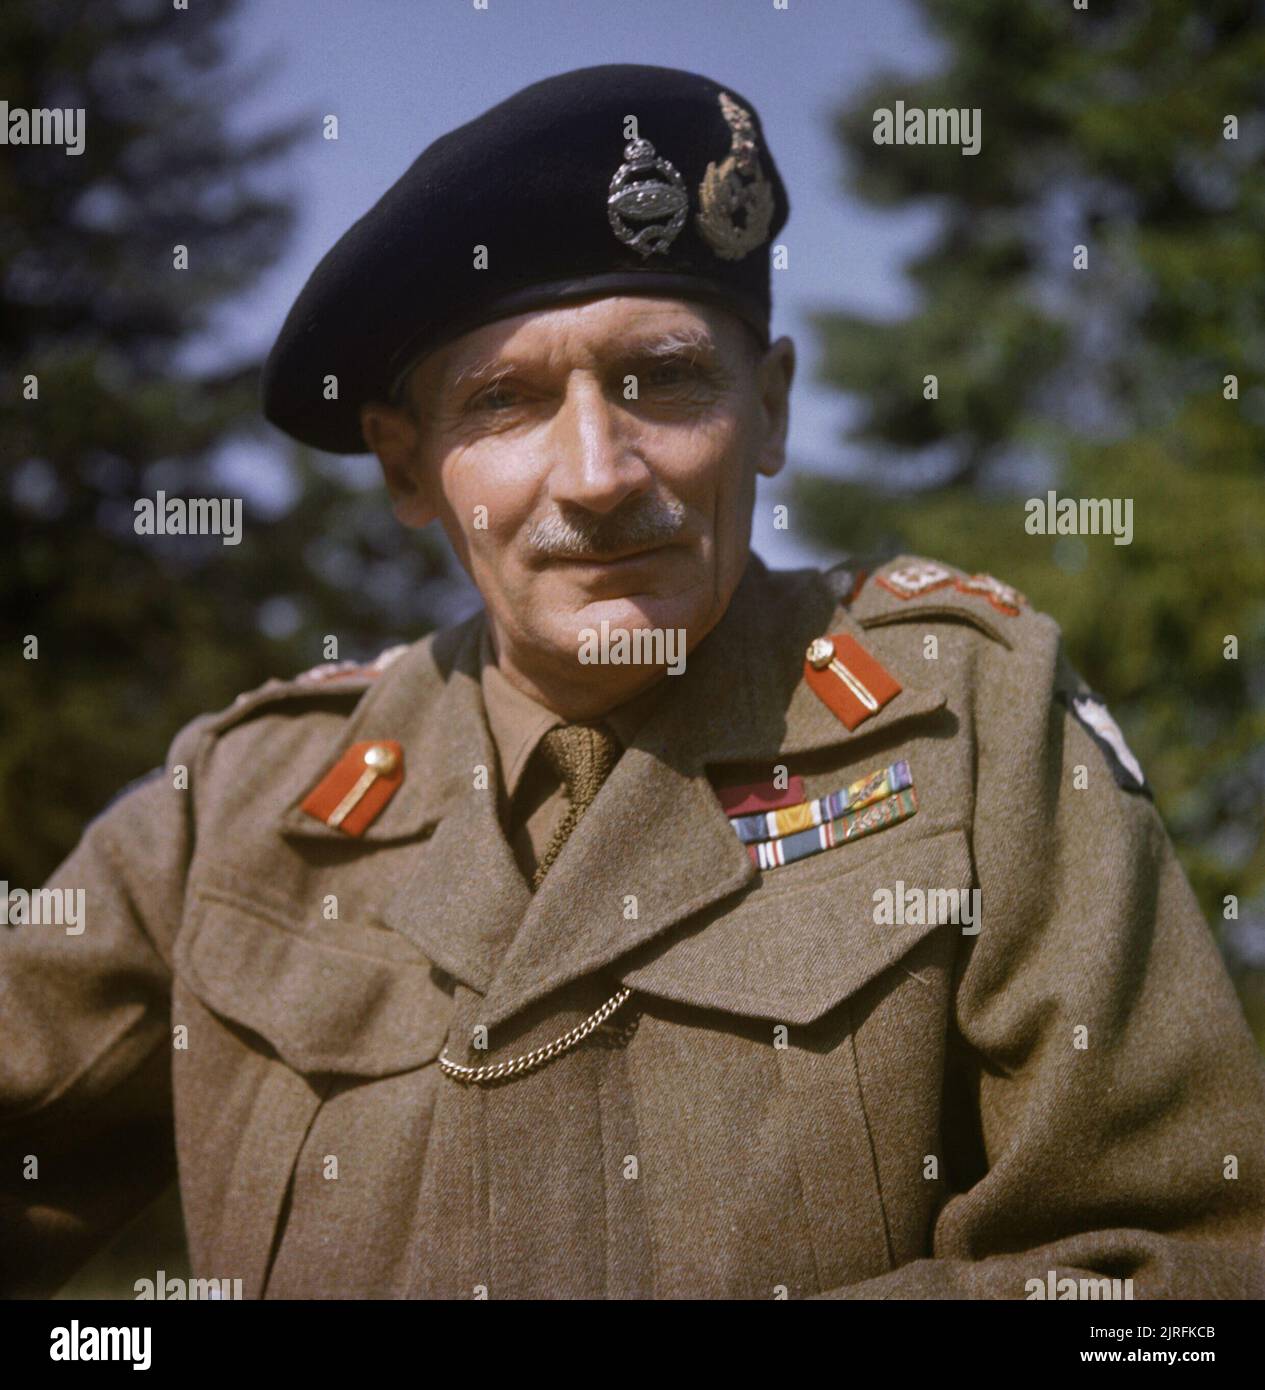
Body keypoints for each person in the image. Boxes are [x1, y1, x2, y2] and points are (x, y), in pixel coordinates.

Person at [3, 63, 1262, 1301]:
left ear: (766, 413)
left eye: (662, 378)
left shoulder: (971, 722)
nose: (598, 472)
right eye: (503, 401)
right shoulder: (235, 806)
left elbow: (1171, 1271)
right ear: (406, 468)